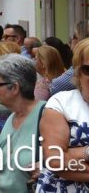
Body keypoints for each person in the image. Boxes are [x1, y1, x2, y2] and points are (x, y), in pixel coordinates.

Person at [37, 37, 89, 191]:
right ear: (78, 72)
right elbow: (56, 160)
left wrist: (73, 153)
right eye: (88, 70)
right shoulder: (61, 103)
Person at [0, 55, 45, 193]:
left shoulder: (46, 114)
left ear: (14, 88)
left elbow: (63, 160)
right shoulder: (11, 118)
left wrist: (46, 168)